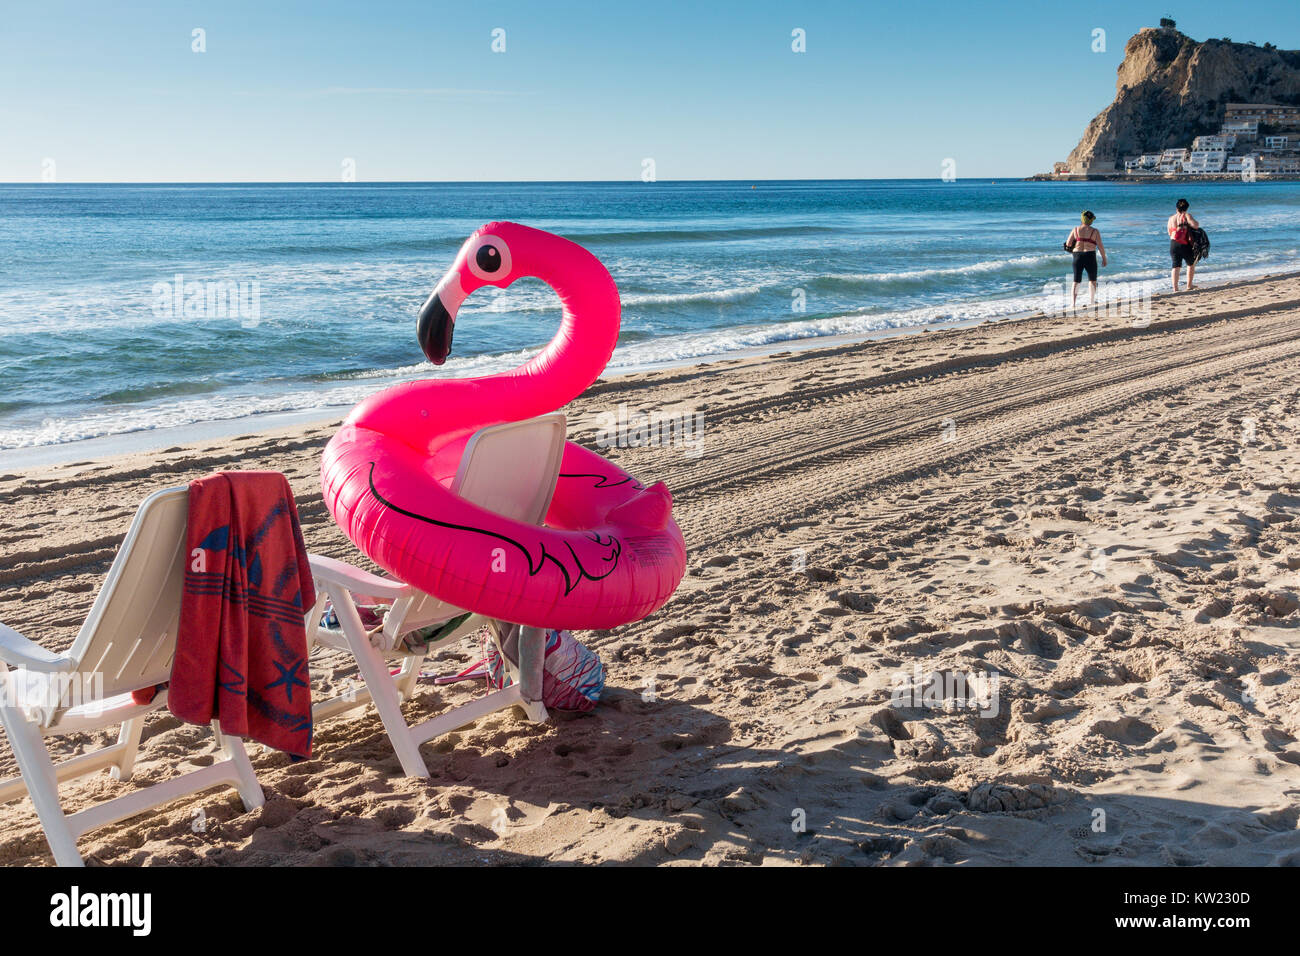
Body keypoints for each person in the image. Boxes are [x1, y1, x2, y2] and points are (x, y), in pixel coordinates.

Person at [1066, 210, 1106, 309]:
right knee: (1092, 280)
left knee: (1076, 280)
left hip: (1077, 256)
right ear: (1091, 220)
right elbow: (1100, 246)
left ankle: (1073, 304)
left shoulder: (1075, 229)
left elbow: (1068, 244)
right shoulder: (1095, 231)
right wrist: (1104, 258)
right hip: (1090, 255)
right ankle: (1092, 301)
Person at [1168, 198, 1199, 292]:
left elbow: (1169, 232)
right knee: (1190, 264)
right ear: (1187, 208)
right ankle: (1189, 286)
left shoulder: (1171, 218)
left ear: (1176, 208)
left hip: (1173, 243)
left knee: (1175, 266)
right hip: (1185, 243)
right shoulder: (1187, 215)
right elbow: (1196, 225)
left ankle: (1175, 288)